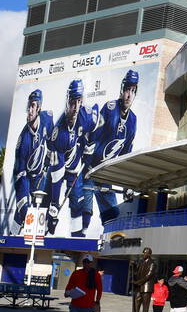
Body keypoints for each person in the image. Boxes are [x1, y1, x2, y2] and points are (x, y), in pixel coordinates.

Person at [87, 70, 139, 226]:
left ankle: (106, 245)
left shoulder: (133, 121)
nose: (129, 95)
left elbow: (125, 156)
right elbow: (92, 138)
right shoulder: (109, 109)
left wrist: (127, 186)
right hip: (89, 170)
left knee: (113, 217)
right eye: (127, 89)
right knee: (84, 212)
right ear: (122, 90)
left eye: (133, 90)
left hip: (104, 175)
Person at [46, 79, 96, 237]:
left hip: (75, 167)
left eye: (79, 102)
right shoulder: (58, 133)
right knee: (49, 203)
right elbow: (57, 174)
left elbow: (95, 123)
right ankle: (46, 226)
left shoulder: (87, 115)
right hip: (56, 169)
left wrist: (90, 144)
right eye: (73, 102)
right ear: (67, 101)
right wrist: (55, 203)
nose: (75, 107)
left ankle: (76, 236)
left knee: (77, 203)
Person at [12, 88, 54, 233]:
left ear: (39, 108)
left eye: (33, 106)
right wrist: (25, 209)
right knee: (23, 215)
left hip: (41, 177)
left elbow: (52, 138)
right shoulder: (23, 141)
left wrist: (50, 156)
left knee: (44, 219)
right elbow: (19, 176)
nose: (29, 110)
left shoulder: (47, 118)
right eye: (28, 106)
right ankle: (14, 234)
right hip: (27, 181)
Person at [128, 247, 156, 312]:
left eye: (145, 253)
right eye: (143, 253)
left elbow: (148, 276)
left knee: (145, 305)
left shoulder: (152, 263)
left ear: (149, 254)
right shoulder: (141, 262)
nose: (144, 254)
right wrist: (132, 266)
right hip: (139, 287)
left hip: (146, 287)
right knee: (136, 303)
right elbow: (136, 272)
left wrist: (138, 282)